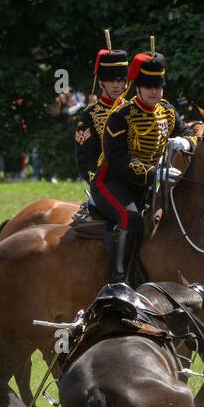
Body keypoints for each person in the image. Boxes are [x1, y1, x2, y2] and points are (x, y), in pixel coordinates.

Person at [91, 51, 196, 283]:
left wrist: (185, 141)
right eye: (148, 86)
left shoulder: (167, 111)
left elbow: (188, 133)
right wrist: (154, 172)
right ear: (137, 87)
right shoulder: (121, 116)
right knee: (130, 218)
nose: (154, 91)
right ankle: (119, 280)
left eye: (158, 86)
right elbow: (117, 161)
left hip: (147, 186)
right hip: (112, 182)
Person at [72, 39, 130, 188]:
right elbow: (85, 160)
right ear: (100, 82)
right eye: (110, 80)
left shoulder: (134, 109)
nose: (116, 85)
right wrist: (99, 183)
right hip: (106, 184)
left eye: (120, 80)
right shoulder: (89, 115)